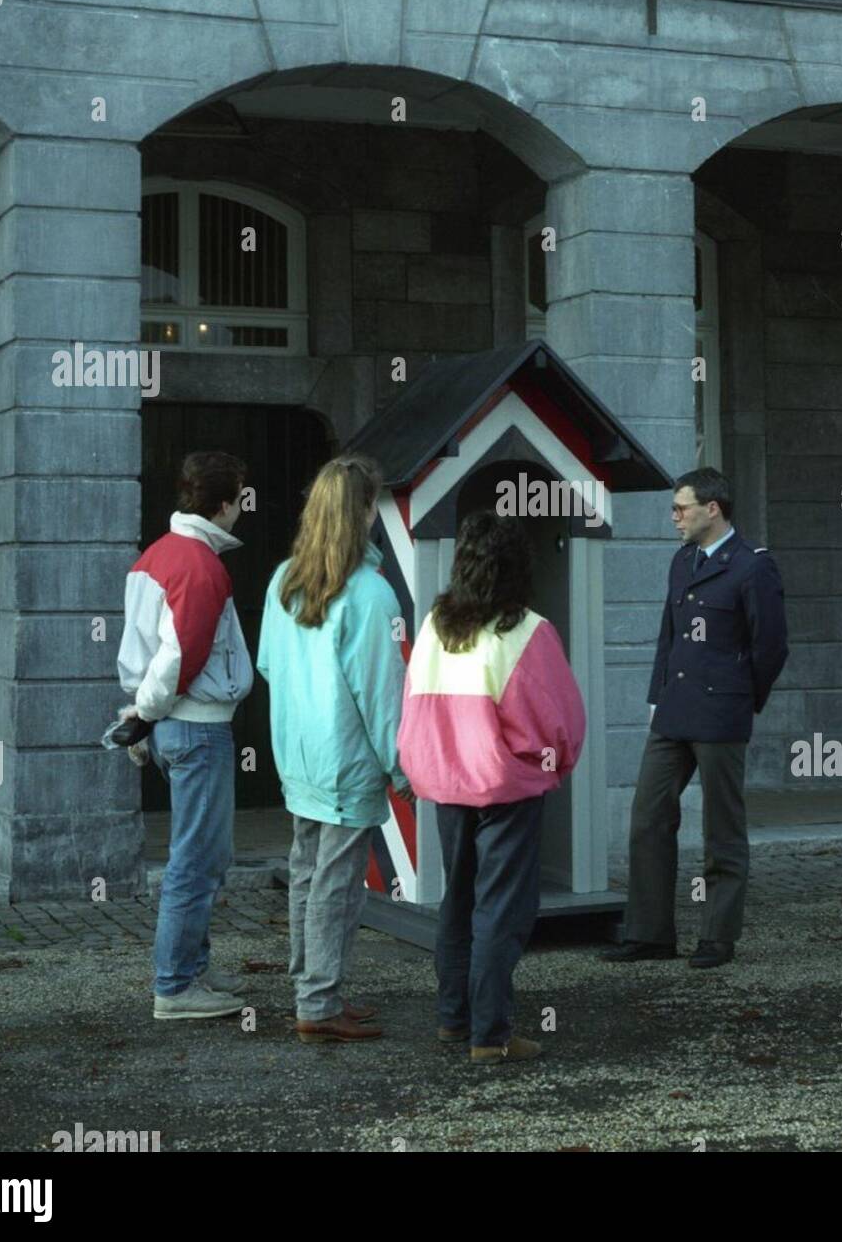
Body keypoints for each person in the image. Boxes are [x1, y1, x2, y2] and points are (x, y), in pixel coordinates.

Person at [397, 510, 585, 1065]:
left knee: (457, 901)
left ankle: (453, 1021)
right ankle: (492, 1034)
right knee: (500, 910)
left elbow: (410, 699)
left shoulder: (434, 624)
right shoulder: (529, 631)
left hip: (444, 781)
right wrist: (556, 765)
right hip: (506, 785)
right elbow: (560, 721)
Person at [601, 467, 788, 970]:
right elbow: (670, 635)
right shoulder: (682, 561)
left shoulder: (752, 567)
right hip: (674, 711)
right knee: (648, 816)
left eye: (681, 507)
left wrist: (742, 697)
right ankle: (650, 933)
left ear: (713, 508)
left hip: (721, 712)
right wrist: (655, 697)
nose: (674, 517)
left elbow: (770, 646)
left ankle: (718, 937)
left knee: (722, 830)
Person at [256, 453, 414, 1045]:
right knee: (338, 884)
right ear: (364, 511)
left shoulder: (283, 579)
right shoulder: (372, 595)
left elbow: (269, 665)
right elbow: (382, 696)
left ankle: (312, 988)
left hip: (297, 755)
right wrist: (403, 769)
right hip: (346, 760)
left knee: (306, 872)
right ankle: (318, 1003)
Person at [117, 451, 254, 1020]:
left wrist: (141, 714)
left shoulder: (155, 556)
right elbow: (185, 656)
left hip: (174, 726)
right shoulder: (201, 565)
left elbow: (143, 654)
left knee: (198, 855)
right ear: (223, 504)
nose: (244, 508)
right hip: (198, 729)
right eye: (241, 499)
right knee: (196, 860)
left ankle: (190, 970)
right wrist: (147, 714)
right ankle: (175, 985)